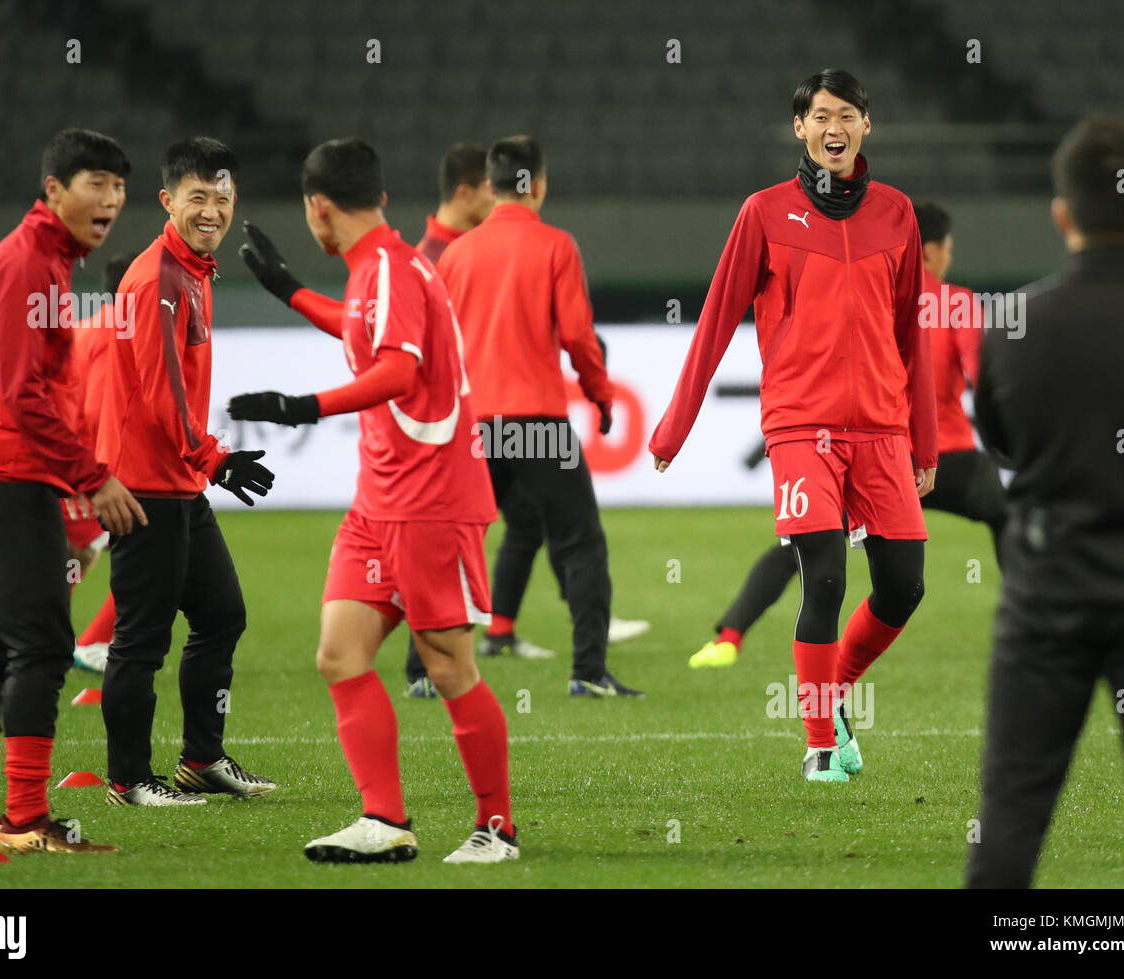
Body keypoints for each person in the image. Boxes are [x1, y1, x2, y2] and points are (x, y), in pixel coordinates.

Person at [229, 137, 518, 863]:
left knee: (448, 663)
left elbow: (394, 368)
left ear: (317, 207)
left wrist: (301, 406)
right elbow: (367, 328)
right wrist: (290, 290)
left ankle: (497, 828)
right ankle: (384, 819)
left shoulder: (390, 268)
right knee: (340, 653)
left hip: (429, 499)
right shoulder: (377, 266)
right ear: (381, 198)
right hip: (380, 501)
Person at [650, 69, 936, 782]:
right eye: (818, 116)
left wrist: (923, 440)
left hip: (882, 429)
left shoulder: (898, 214)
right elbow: (716, 319)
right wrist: (672, 429)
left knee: (904, 586)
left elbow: (914, 336)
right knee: (826, 577)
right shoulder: (764, 212)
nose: (833, 127)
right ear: (800, 129)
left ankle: (832, 689)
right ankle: (818, 745)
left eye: (846, 114)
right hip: (800, 426)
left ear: (866, 126)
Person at [967, 117, 1124, 887]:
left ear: (1062, 213)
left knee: (1012, 810)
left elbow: (1004, 443)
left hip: (1047, 593)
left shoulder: (1013, 325)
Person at [689, 201, 1004, 669]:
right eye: (948, 250)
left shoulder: (861, 288)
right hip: (941, 457)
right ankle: (1037, 622)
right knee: (1013, 518)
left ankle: (731, 635)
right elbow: (985, 379)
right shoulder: (953, 302)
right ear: (931, 250)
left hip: (863, 451)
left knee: (808, 550)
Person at [0, 128, 140, 855]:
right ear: (53, 189)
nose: (111, 199)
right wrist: (91, 481)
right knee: (42, 646)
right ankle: (26, 820)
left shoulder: (48, 260)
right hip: (8, 470)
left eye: (118, 187)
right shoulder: (33, 264)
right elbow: (25, 396)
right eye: (96, 183)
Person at [97, 137, 277, 806]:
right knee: (141, 640)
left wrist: (202, 464)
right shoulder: (160, 280)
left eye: (223, 198)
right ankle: (127, 779)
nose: (212, 210)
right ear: (168, 199)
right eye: (198, 197)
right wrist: (214, 456)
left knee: (222, 613)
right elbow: (158, 393)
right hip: (146, 488)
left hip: (177, 482)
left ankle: (200, 758)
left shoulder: (193, 269)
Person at [437, 134, 643, 698]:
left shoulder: (455, 255)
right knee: (579, 543)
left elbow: (440, 348)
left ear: (492, 185)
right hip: (540, 428)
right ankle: (588, 671)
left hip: (476, 426)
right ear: (540, 184)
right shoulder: (555, 246)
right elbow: (578, 336)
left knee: (453, 543)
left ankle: (424, 672)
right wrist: (600, 396)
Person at [66, 252, 136, 673]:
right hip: (89, 468)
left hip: (65, 462)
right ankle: (87, 643)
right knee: (160, 554)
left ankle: (44, 642)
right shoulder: (118, 335)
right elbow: (96, 411)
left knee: (79, 555)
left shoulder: (85, 327)